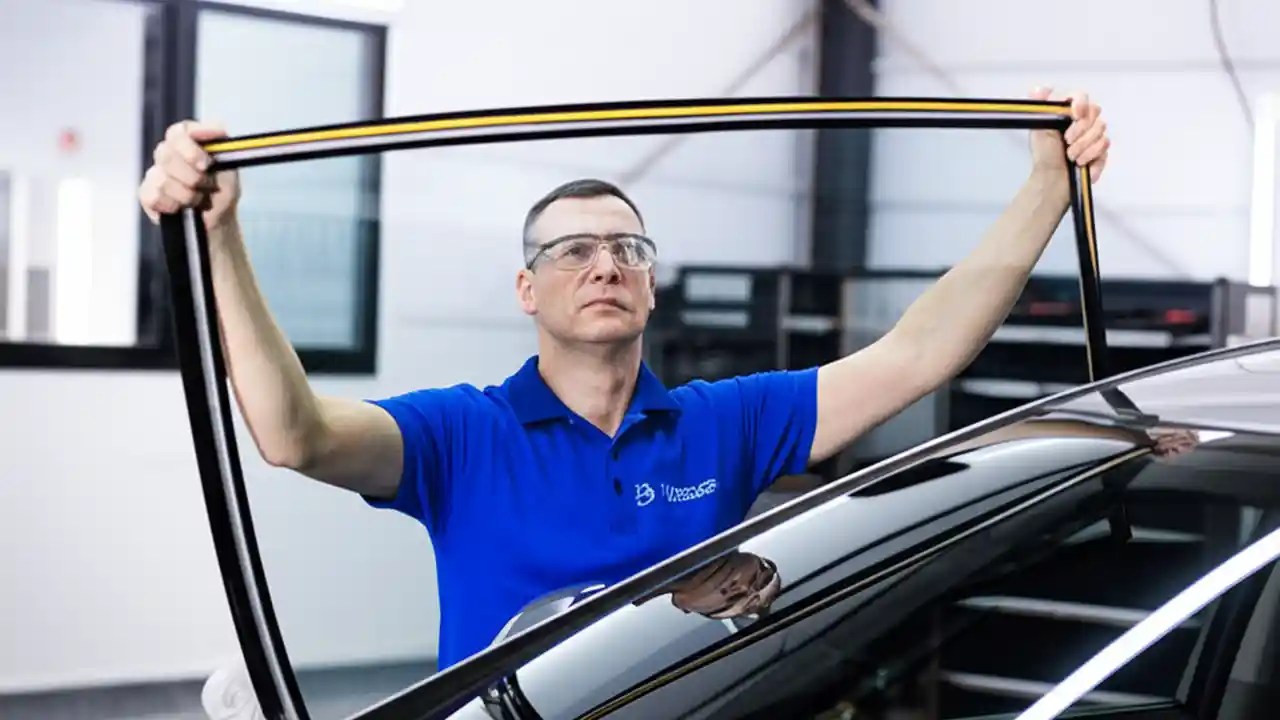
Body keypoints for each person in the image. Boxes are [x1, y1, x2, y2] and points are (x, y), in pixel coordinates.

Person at [138, 87, 1110, 670]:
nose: (602, 264)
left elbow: (917, 352)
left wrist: (1040, 191)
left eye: (625, 247)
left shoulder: (726, 422)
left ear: (649, 282)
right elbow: (290, 433)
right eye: (570, 252)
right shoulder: (459, 437)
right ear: (525, 288)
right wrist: (219, 235)